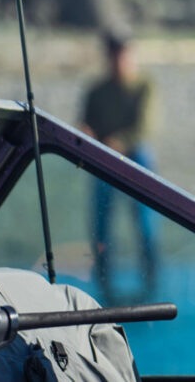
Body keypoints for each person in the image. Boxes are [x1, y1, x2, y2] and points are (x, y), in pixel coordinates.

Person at [81, 29, 159, 304]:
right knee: (101, 221)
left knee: (146, 220)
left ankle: (151, 278)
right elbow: (85, 124)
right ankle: (103, 282)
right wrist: (90, 135)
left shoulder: (144, 86)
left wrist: (120, 141)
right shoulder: (96, 91)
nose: (120, 61)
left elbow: (144, 127)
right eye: (115, 56)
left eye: (124, 55)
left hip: (136, 156)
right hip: (105, 157)